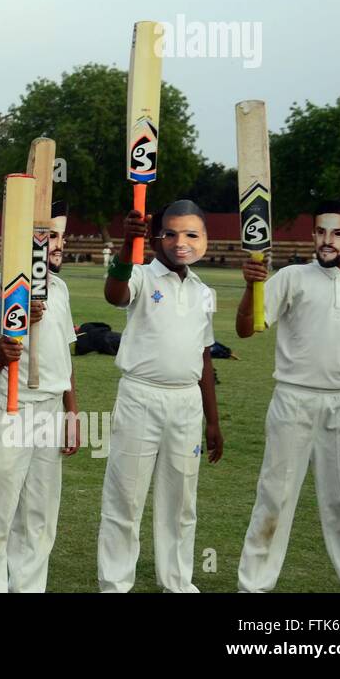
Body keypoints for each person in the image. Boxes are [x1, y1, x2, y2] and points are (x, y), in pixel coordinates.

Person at [235, 199, 340, 593]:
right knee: (275, 497)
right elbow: (246, 329)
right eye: (321, 231)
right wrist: (252, 285)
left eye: (338, 233)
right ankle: (253, 585)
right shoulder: (291, 278)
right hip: (292, 400)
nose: (327, 240)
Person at [97, 200, 223, 593]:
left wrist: (213, 420)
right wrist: (125, 246)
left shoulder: (205, 292)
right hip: (141, 397)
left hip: (186, 403)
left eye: (191, 235)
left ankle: (178, 582)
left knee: (181, 502)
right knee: (125, 498)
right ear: (156, 237)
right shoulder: (140, 275)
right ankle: (116, 583)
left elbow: (204, 357)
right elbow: (114, 295)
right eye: (170, 233)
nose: (179, 242)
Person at [0, 202, 81, 592]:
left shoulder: (62, 287)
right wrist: (18, 325)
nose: (60, 244)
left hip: (51, 410)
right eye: (52, 236)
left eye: (62, 236)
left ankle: (29, 587)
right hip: (11, 408)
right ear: (31, 240)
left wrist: (72, 415)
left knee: (39, 514)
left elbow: (66, 357)